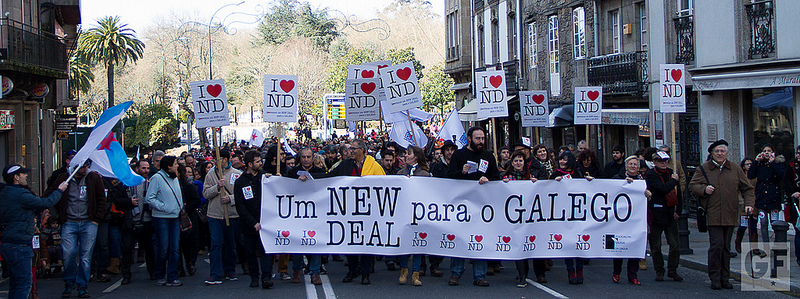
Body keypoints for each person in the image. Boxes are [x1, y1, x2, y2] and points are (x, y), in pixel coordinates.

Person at [312, 139, 384, 285]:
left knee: (365, 243)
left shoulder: (374, 166)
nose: (350, 151)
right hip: (348, 210)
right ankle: (352, 270)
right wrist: (309, 178)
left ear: (363, 150)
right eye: (350, 148)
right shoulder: (345, 165)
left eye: (354, 148)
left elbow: (383, 186)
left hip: (367, 211)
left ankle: (365, 273)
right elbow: (329, 177)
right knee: (350, 242)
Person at [689, 140, 755, 290]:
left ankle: (725, 278)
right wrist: (704, 190)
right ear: (712, 154)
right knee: (717, 245)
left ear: (727, 153)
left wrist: (749, 204)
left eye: (722, 151)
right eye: (717, 151)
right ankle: (715, 278)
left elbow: (748, 188)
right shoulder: (704, 168)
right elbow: (692, 186)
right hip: (712, 214)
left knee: (726, 247)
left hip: (730, 213)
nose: (719, 154)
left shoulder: (735, 169)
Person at [0, 164, 67, 299]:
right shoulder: (20, 195)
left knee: (15, 284)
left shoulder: (5, 193)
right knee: (24, 284)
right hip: (20, 244)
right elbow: (45, 203)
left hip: (8, 243)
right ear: (16, 177)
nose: (26, 176)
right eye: (23, 174)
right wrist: (59, 190)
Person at [446, 127, 500, 287]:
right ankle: (455, 274)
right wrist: (461, 173)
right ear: (469, 138)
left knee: (480, 238)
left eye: (482, 138)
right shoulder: (459, 155)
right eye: (477, 138)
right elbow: (449, 176)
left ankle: (480, 275)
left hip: (482, 205)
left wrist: (488, 180)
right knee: (461, 237)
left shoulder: (489, 156)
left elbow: (496, 177)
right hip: (463, 204)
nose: (481, 141)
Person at [47, 160, 107, 298]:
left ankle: (82, 286)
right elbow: (49, 196)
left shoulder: (94, 178)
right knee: (68, 254)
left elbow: (101, 199)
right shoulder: (64, 178)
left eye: (87, 165)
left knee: (85, 256)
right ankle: (69, 282)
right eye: (83, 166)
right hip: (69, 222)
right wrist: (57, 216)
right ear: (75, 167)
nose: (86, 168)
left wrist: (96, 219)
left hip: (89, 222)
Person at [234, 150, 275, 289]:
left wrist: (276, 179)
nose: (260, 163)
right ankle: (254, 276)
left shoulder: (265, 177)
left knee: (266, 251)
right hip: (249, 224)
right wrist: (252, 223)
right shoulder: (240, 182)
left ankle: (266, 277)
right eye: (257, 161)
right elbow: (240, 205)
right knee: (250, 251)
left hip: (265, 222)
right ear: (250, 164)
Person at [550, 151, 593, 284]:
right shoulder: (556, 174)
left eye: (565, 160)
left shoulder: (578, 173)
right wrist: (554, 182)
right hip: (562, 214)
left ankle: (579, 269)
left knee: (578, 242)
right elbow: (546, 189)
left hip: (577, 213)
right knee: (568, 243)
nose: (562, 162)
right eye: (561, 159)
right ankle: (570, 271)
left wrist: (590, 181)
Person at [285, 148, 325, 284]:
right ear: (300, 158)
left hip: (316, 214)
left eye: (308, 157)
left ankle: (315, 272)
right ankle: (297, 270)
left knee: (316, 243)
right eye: (303, 157)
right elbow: (285, 189)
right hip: (298, 214)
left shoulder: (320, 173)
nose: (306, 159)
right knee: (297, 243)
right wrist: (296, 181)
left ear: (313, 157)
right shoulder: (292, 173)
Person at [203, 149, 242, 285]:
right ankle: (215, 274)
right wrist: (216, 187)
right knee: (216, 244)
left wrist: (230, 199)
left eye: (218, 159)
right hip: (214, 214)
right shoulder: (210, 174)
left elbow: (242, 195)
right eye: (214, 159)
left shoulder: (237, 174)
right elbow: (206, 193)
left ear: (226, 159)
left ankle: (230, 270)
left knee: (231, 244)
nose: (216, 161)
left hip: (232, 215)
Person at [500, 151, 539, 287]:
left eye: (520, 161)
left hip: (528, 217)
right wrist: (503, 184)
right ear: (512, 163)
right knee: (518, 246)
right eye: (516, 161)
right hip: (514, 218)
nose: (518, 163)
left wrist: (535, 183)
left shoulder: (530, 177)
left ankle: (524, 273)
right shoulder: (507, 177)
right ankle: (522, 275)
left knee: (526, 245)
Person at [145, 156, 184, 287]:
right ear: (168, 166)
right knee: (164, 247)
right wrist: (164, 207)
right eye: (175, 164)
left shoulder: (175, 177)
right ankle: (160, 274)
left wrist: (179, 208)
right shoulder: (157, 178)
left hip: (175, 217)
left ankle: (172, 276)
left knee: (175, 248)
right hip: (161, 217)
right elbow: (149, 198)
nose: (177, 166)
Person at [645, 151, 683, 283]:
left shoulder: (672, 173)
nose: (664, 163)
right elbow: (662, 188)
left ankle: (672, 270)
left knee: (675, 244)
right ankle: (659, 270)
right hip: (656, 214)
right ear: (654, 162)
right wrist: (673, 180)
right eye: (661, 161)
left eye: (666, 161)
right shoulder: (651, 175)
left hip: (670, 213)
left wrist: (679, 210)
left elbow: (678, 194)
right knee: (655, 246)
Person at [396, 146, 431, 286]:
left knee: (417, 243)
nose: (406, 156)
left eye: (408, 153)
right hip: (403, 213)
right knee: (404, 243)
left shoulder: (425, 174)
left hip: (418, 214)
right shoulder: (399, 174)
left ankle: (416, 273)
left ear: (416, 156)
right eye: (405, 153)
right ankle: (403, 270)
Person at [612, 156, 650, 285]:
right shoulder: (618, 178)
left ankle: (632, 275)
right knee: (619, 246)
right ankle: (616, 272)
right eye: (631, 164)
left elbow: (649, 195)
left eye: (635, 164)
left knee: (634, 246)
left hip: (636, 219)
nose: (633, 166)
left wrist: (648, 194)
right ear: (626, 166)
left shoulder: (643, 181)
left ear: (638, 168)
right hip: (620, 219)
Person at [121, 160, 154, 284]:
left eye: (147, 168)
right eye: (143, 168)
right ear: (136, 169)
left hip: (146, 220)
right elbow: (118, 199)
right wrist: (128, 202)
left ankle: (152, 272)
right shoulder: (127, 183)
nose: (146, 170)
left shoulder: (151, 183)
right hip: (130, 220)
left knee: (149, 249)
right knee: (127, 249)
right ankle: (126, 275)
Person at [748, 144, 784, 247]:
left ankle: (778, 244)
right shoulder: (759, 164)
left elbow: (781, 175)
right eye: (764, 151)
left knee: (775, 223)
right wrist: (755, 162)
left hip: (773, 197)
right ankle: (766, 246)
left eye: (769, 150)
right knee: (763, 223)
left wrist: (772, 163)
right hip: (761, 198)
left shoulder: (778, 163)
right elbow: (750, 175)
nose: (767, 152)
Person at [177, 165, 201, 277]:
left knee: (191, 240)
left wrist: (185, 208)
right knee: (179, 243)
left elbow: (196, 200)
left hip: (189, 216)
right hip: (176, 217)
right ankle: (179, 267)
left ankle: (190, 262)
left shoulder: (188, 186)